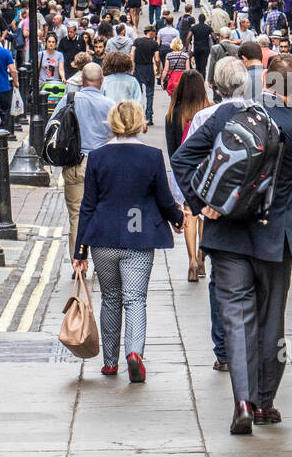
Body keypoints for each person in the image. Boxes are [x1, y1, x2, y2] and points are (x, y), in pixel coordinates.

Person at [170, 53, 292, 434]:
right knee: (272, 320)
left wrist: (202, 205)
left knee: (236, 318)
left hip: (228, 235)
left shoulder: (228, 118)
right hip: (277, 238)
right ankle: (264, 402)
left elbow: (181, 159)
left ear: (267, 84)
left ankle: (241, 400)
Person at [72, 100, 184, 382]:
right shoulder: (152, 156)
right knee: (135, 299)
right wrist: (178, 219)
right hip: (139, 237)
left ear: (112, 123)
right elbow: (164, 198)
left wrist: (80, 251)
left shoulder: (97, 157)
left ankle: (110, 362)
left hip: (103, 238)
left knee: (110, 299)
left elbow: (87, 206)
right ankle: (134, 354)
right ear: (139, 123)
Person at [187, 57, 250, 372]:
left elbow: (186, 160)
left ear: (215, 85)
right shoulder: (259, 115)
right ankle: (246, 346)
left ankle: (223, 351)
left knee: (218, 281)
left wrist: (198, 204)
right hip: (251, 209)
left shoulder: (204, 117)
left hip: (215, 210)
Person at [53, 62, 113, 250]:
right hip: (102, 165)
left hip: (75, 164)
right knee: (102, 213)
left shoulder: (69, 100)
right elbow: (118, 137)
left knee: (77, 215)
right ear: (101, 81)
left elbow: (51, 127)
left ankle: (78, 262)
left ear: (82, 80)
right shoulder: (110, 105)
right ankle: (100, 262)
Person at [166, 70, 212, 282]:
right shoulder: (210, 110)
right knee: (204, 212)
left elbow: (172, 148)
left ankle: (192, 259)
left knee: (189, 213)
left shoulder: (174, 113)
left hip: (183, 169)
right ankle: (203, 258)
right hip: (205, 168)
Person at [130, 26, 161, 125]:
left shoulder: (137, 41)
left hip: (138, 68)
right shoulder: (154, 43)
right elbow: (156, 59)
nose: (155, 34)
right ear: (151, 32)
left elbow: (132, 53)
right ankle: (149, 117)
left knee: (137, 93)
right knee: (149, 94)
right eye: (154, 32)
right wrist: (158, 69)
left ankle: (137, 116)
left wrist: (132, 67)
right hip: (148, 68)